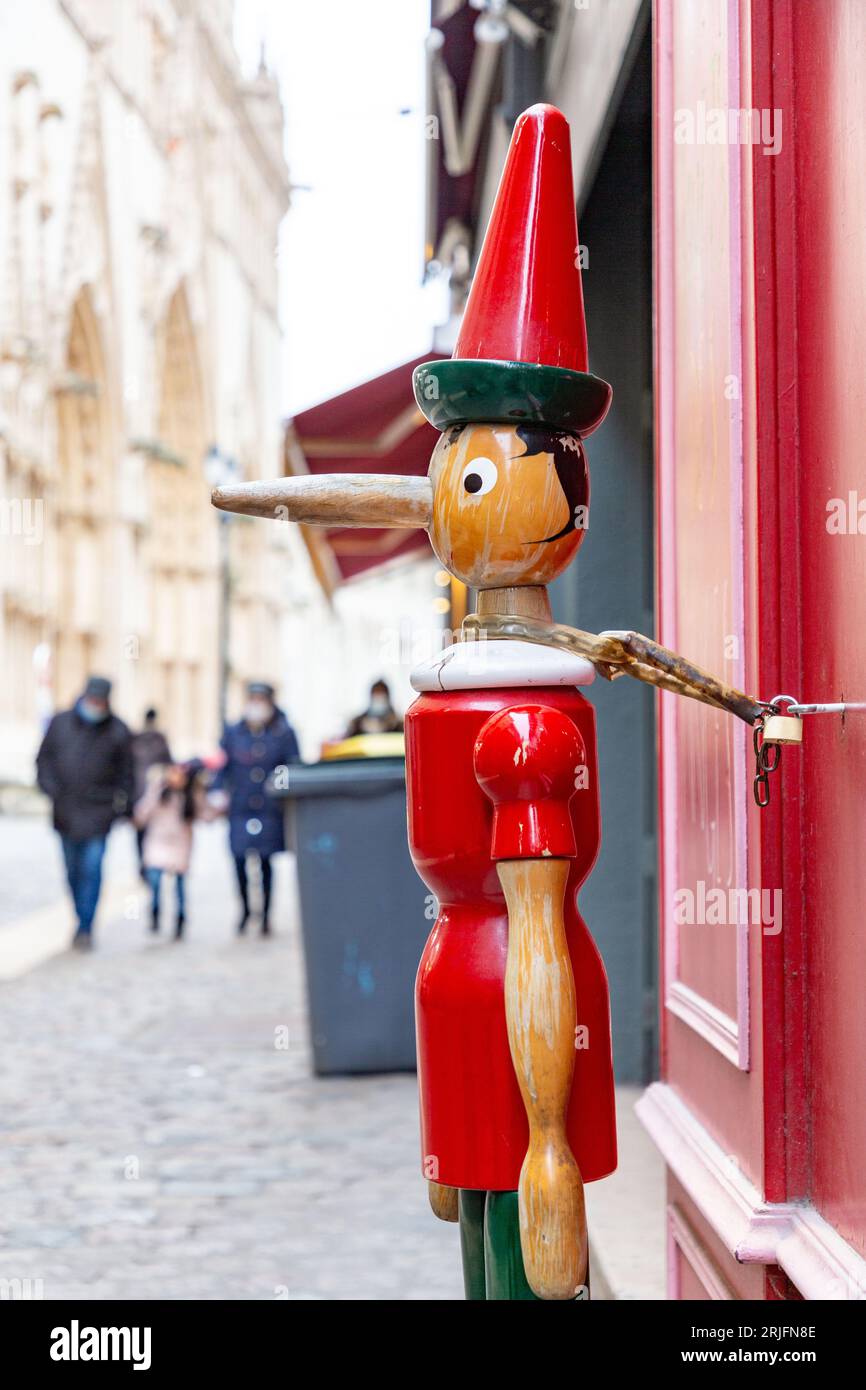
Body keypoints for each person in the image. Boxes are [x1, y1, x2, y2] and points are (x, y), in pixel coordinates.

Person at [35, 675, 134, 950]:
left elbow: (128, 774)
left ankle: (86, 926)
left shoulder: (118, 731)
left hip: (99, 813)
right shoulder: (60, 723)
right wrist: (51, 789)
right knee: (72, 870)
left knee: (92, 869)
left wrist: (123, 806)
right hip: (65, 811)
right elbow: (44, 760)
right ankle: (81, 916)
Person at [215, 681, 300, 936]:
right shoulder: (233, 733)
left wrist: (281, 787)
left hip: (269, 808)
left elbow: (293, 765)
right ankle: (244, 910)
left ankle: (265, 915)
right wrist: (217, 791)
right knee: (239, 859)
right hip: (241, 806)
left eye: (261, 699)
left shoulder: (283, 733)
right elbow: (223, 765)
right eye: (252, 698)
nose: (256, 704)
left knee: (265, 862)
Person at [134, 760, 213, 940]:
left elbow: (205, 814)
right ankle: (155, 912)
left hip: (181, 844)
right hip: (157, 841)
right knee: (154, 880)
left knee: (179, 885)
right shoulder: (159, 790)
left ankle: (180, 919)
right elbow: (143, 811)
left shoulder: (192, 795)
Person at [131, 709, 172, 879]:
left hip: (140, 794)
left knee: (142, 834)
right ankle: (148, 864)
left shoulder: (137, 740)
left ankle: (144, 863)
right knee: (149, 833)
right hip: (152, 795)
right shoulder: (158, 740)